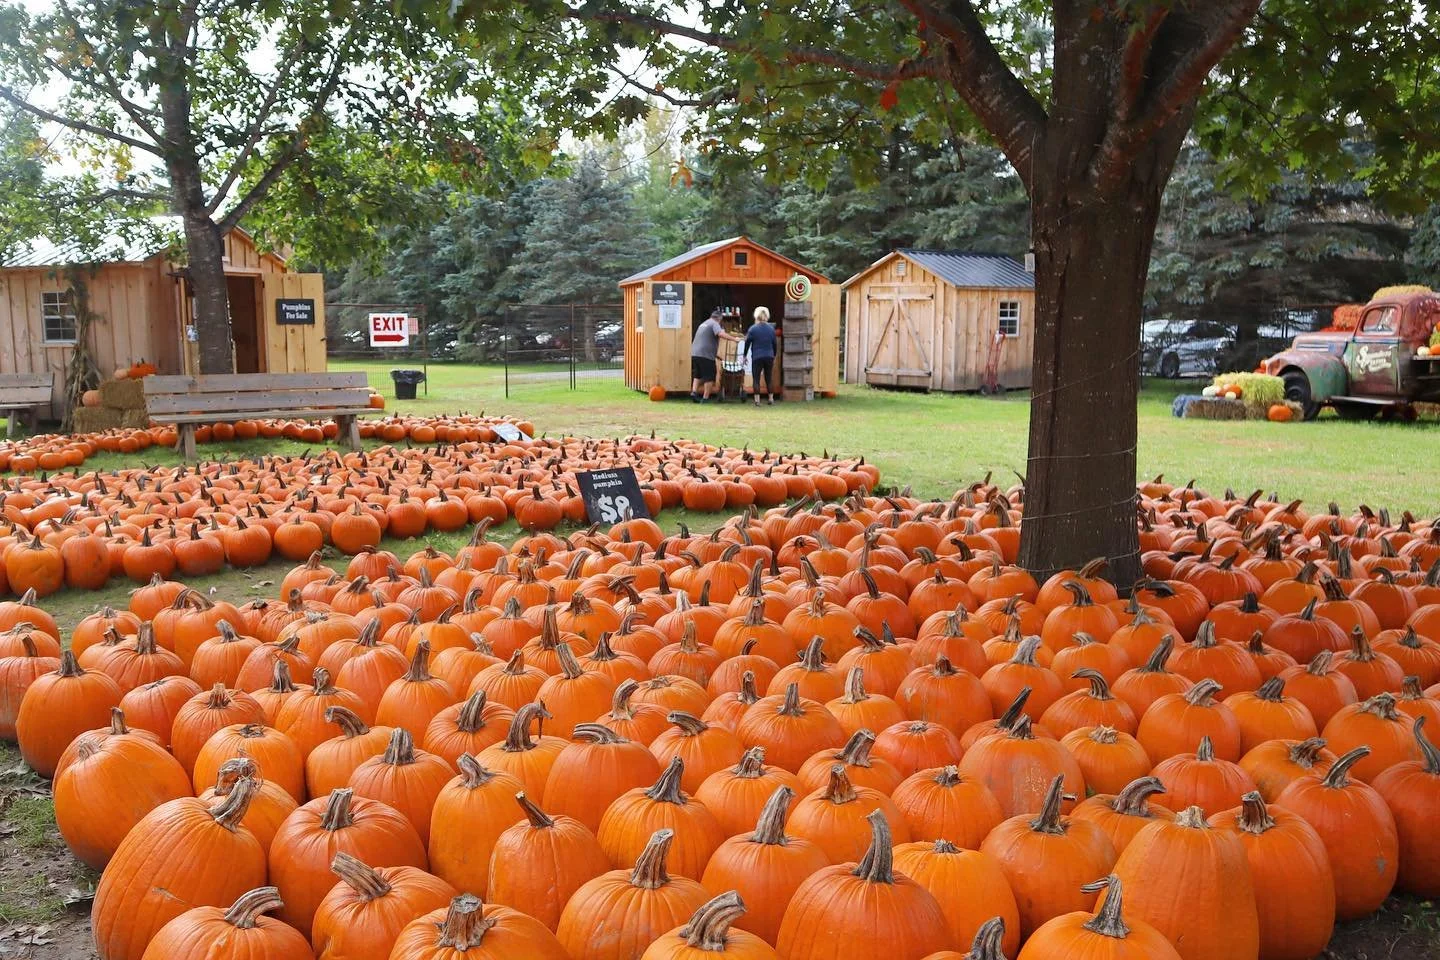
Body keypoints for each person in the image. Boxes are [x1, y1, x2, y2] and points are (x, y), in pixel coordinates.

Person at [690, 308, 741, 402]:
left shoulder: (704, 323)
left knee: (698, 374)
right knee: (710, 376)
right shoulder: (714, 323)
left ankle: (694, 393)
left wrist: (716, 355)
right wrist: (734, 339)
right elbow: (721, 334)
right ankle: (705, 398)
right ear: (719, 319)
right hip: (705, 354)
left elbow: (705, 339)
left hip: (695, 353)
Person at [743, 306, 778, 405]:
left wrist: (744, 355)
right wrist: (774, 355)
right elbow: (775, 344)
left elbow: (747, 343)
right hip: (769, 356)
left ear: (756, 316)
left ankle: (757, 400)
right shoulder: (771, 329)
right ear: (767, 316)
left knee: (756, 378)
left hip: (757, 356)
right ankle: (771, 399)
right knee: (768, 378)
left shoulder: (753, 329)